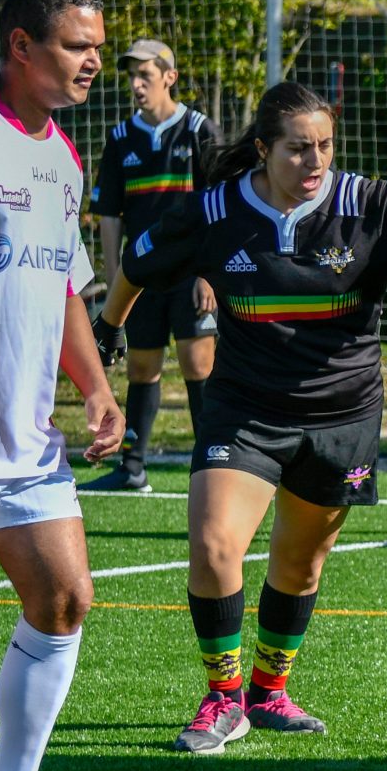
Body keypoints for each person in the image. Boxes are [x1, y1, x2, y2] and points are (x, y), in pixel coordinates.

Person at [97, 82, 387, 753]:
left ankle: (268, 691)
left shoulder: (365, 203)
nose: (315, 161)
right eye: (297, 148)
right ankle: (223, 698)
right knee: (215, 545)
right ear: (262, 149)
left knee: (300, 564)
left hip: (343, 415)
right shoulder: (216, 211)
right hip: (245, 408)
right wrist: (109, 324)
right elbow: (138, 262)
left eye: (325, 146)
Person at [0, 0, 122, 771]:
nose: (94, 61)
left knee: (63, 598)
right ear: (22, 45)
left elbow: (61, 285)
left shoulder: (63, 156)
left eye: (98, 48)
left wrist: (95, 386)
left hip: (23, 442)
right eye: (77, 46)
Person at [82, 39, 219, 492]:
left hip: (191, 275)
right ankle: (132, 467)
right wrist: (115, 278)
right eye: (131, 76)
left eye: (145, 75)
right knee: (141, 368)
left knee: (198, 364)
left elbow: (218, 208)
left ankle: (214, 465)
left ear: (169, 78)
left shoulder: (199, 130)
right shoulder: (121, 138)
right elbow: (109, 214)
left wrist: (208, 274)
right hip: (140, 278)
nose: (136, 84)